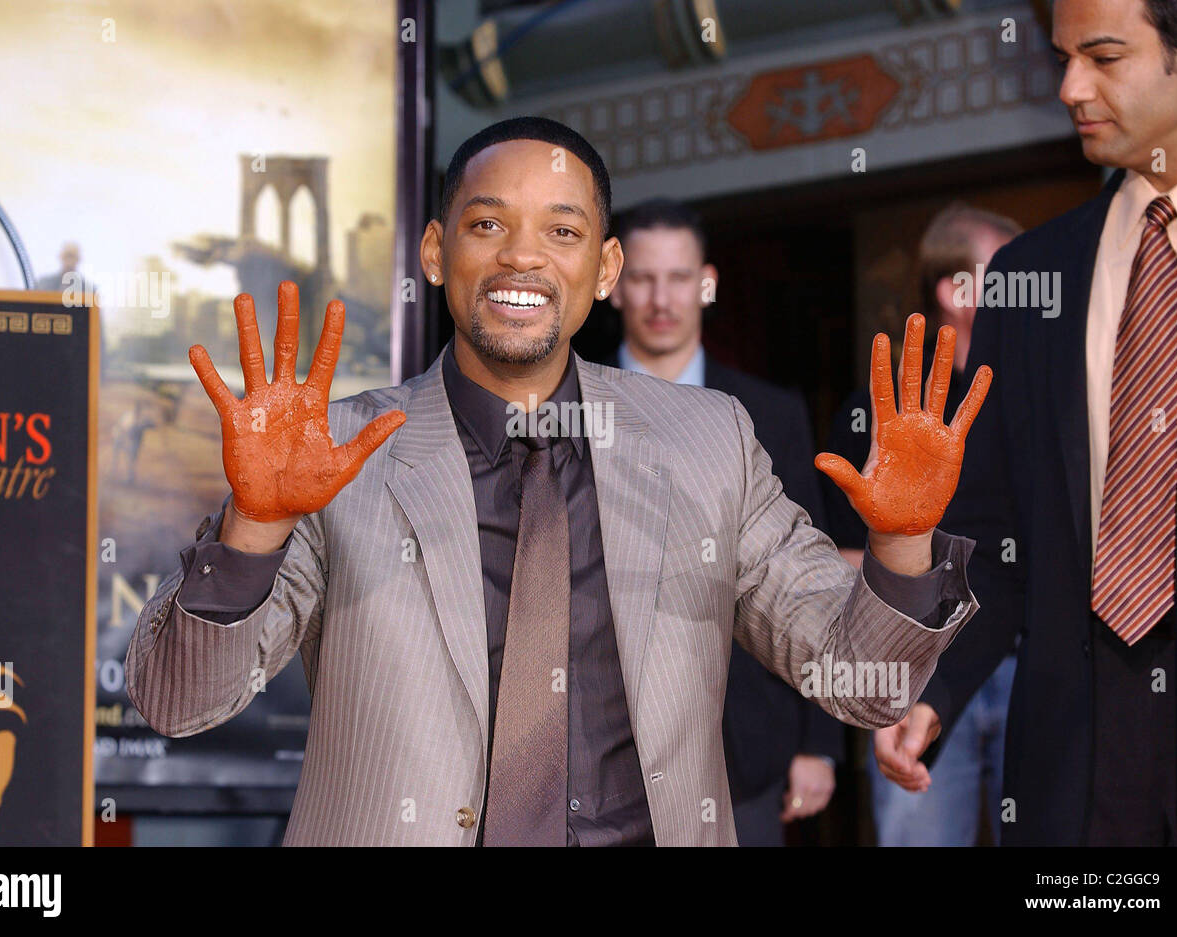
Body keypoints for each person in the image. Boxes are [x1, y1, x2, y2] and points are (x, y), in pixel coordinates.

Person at [127, 116, 989, 846]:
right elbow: (177, 701)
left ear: (605, 270)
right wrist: (254, 527)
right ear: (434, 251)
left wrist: (900, 544)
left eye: (563, 231)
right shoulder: (340, 454)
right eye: (488, 225)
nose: (523, 259)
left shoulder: (708, 439)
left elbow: (861, 684)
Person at [875, 0, 1177, 846]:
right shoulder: (1030, 277)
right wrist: (932, 688)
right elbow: (994, 540)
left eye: (1103, 56)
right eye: (1062, 57)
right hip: (1071, 784)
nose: (1069, 86)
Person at [604, 198, 842, 845]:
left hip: (748, 750)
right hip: (604, 754)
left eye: (679, 277)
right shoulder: (567, 413)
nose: (661, 297)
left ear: (706, 284)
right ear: (613, 282)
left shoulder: (770, 411)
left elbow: (808, 578)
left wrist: (819, 743)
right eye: (644, 277)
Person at [822, 203, 1023, 845]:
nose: (1026, 293)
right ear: (953, 290)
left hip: (1033, 663)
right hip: (920, 672)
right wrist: (887, 677)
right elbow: (844, 561)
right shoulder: (879, 412)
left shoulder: (1034, 401)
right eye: (1008, 275)